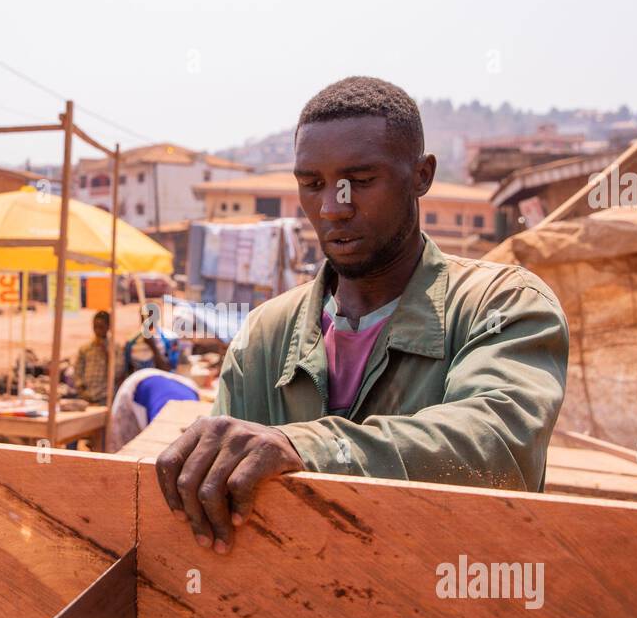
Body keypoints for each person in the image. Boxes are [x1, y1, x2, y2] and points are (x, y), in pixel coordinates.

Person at [155, 76, 569, 554]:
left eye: (361, 182)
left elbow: (497, 448)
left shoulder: (502, 304)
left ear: (422, 175)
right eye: (312, 185)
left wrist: (308, 448)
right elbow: (224, 494)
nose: (333, 207)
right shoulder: (267, 334)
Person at [73, 310, 114, 405]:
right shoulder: (85, 349)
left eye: (101, 327)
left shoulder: (115, 348)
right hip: (87, 397)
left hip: (105, 398)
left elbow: (117, 372)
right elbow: (78, 372)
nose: (98, 331)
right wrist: (82, 391)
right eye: (95, 327)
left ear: (108, 327)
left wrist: (106, 352)